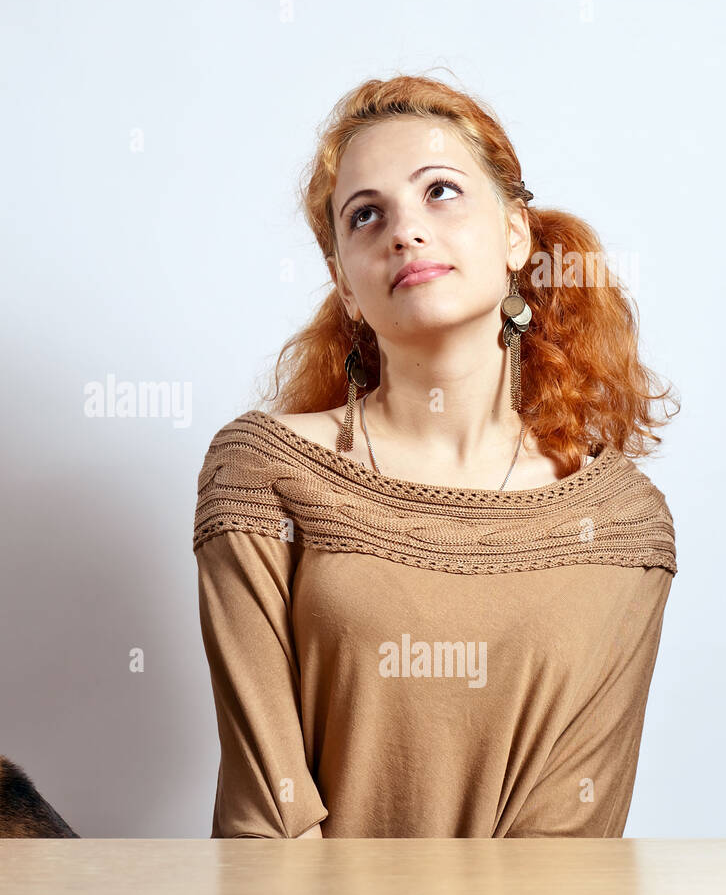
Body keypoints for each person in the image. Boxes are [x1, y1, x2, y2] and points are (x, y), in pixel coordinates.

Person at [193, 74, 679, 838]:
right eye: (365, 215)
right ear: (345, 285)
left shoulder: (620, 523)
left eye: (441, 192)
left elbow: (571, 853)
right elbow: (270, 818)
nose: (404, 231)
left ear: (516, 233)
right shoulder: (263, 472)